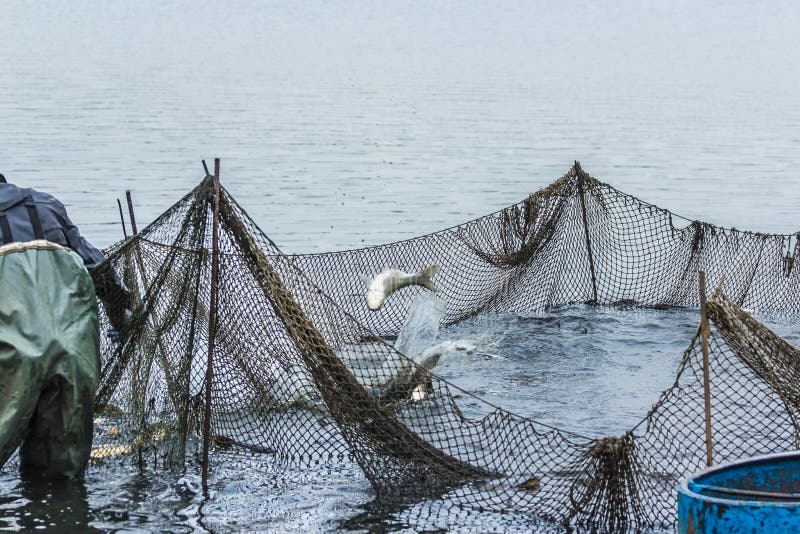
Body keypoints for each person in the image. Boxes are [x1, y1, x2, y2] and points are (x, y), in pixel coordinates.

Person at [0, 171, 129, 478]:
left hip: (9, 358)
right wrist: (121, 323)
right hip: (73, 355)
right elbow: (102, 274)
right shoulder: (46, 206)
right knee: (59, 473)